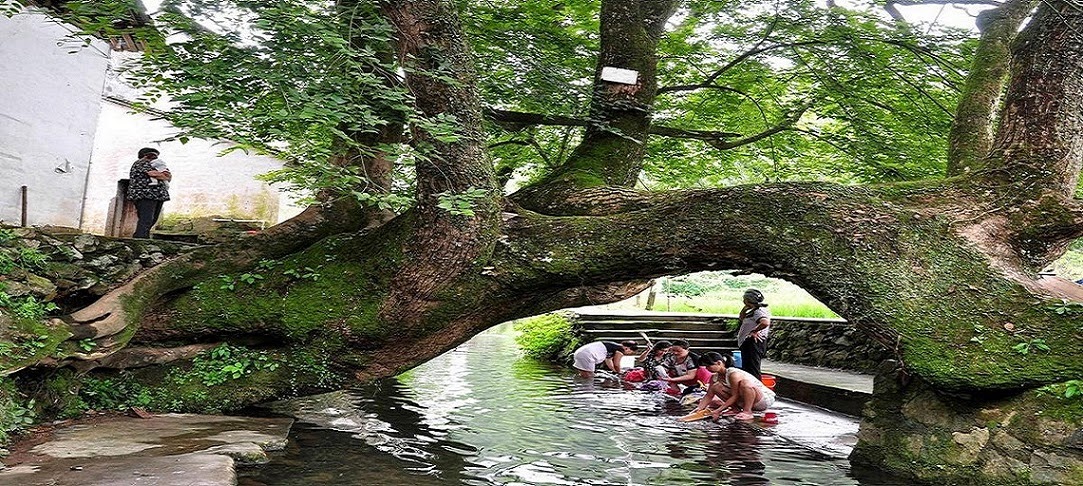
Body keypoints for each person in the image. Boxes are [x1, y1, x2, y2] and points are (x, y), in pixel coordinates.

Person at [688, 351, 776, 421]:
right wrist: (699, 409)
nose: (707, 369)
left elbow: (735, 395)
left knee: (745, 383)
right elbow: (708, 395)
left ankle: (747, 411)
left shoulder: (733, 373)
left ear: (719, 363)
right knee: (716, 386)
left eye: (708, 366)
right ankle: (735, 409)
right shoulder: (714, 377)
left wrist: (718, 410)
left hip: (762, 400)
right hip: (744, 400)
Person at [127, 147, 171, 239]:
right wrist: (163, 176)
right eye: (153, 156)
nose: (156, 158)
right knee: (146, 218)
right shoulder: (141, 163)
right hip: (145, 195)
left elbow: (168, 176)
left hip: (157, 195)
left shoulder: (155, 165)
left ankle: (142, 236)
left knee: (152, 219)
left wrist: (164, 176)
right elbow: (154, 174)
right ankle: (140, 238)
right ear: (145, 156)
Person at [737, 289, 770, 381]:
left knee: (752, 370)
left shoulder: (759, 311)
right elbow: (742, 318)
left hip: (753, 342)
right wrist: (744, 309)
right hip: (747, 343)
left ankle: (756, 391)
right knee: (747, 369)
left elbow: (765, 322)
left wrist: (754, 331)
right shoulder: (752, 310)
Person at [572, 340, 638, 378]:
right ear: (627, 348)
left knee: (583, 375)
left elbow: (608, 360)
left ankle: (578, 387)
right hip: (588, 356)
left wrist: (613, 370)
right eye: (630, 352)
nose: (628, 353)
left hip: (579, 353)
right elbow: (616, 364)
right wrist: (619, 373)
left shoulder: (611, 346)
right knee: (590, 377)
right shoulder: (620, 350)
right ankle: (584, 391)